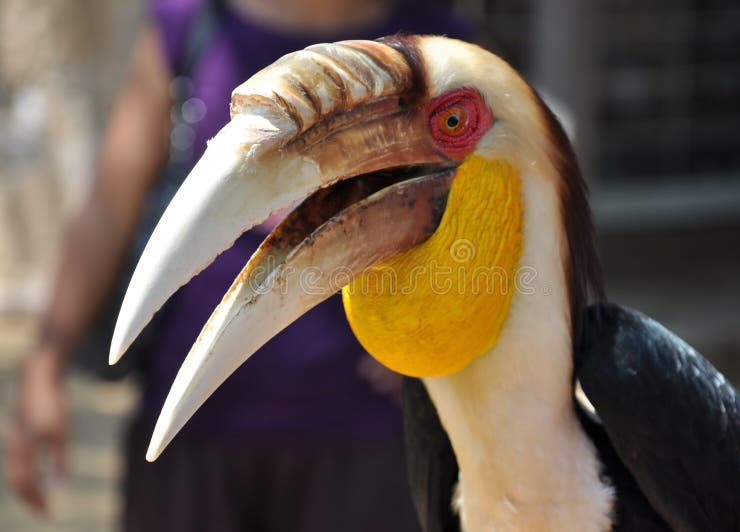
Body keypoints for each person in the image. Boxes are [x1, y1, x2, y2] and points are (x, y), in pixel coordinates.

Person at [3, 1, 470, 530]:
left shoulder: (433, 41)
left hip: (364, 437)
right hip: (191, 427)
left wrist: (429, 338)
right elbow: (109, 205)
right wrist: (47, 360)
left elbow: (476, 218)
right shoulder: (192, 21)